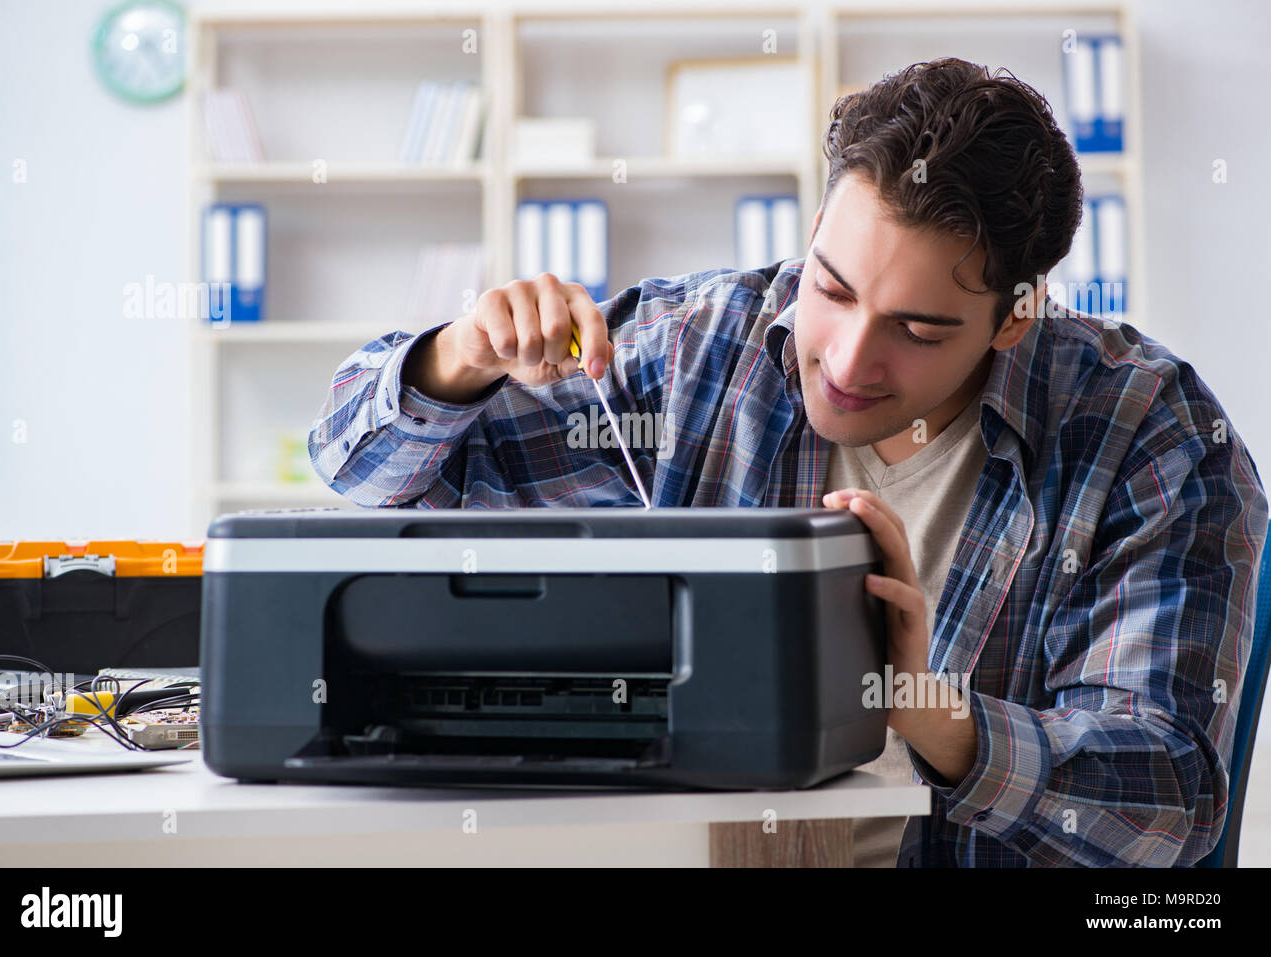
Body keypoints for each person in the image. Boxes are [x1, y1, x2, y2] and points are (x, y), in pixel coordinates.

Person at [308, 58, 1268, 866]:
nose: (849, 361)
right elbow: (363, 473)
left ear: (1016, 314)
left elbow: (1170, 803)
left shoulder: (1150, 434)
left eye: (919, 329)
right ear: (812, 235)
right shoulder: (698, 354)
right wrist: (456, 361)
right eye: (832, 288)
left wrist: (927, 710)